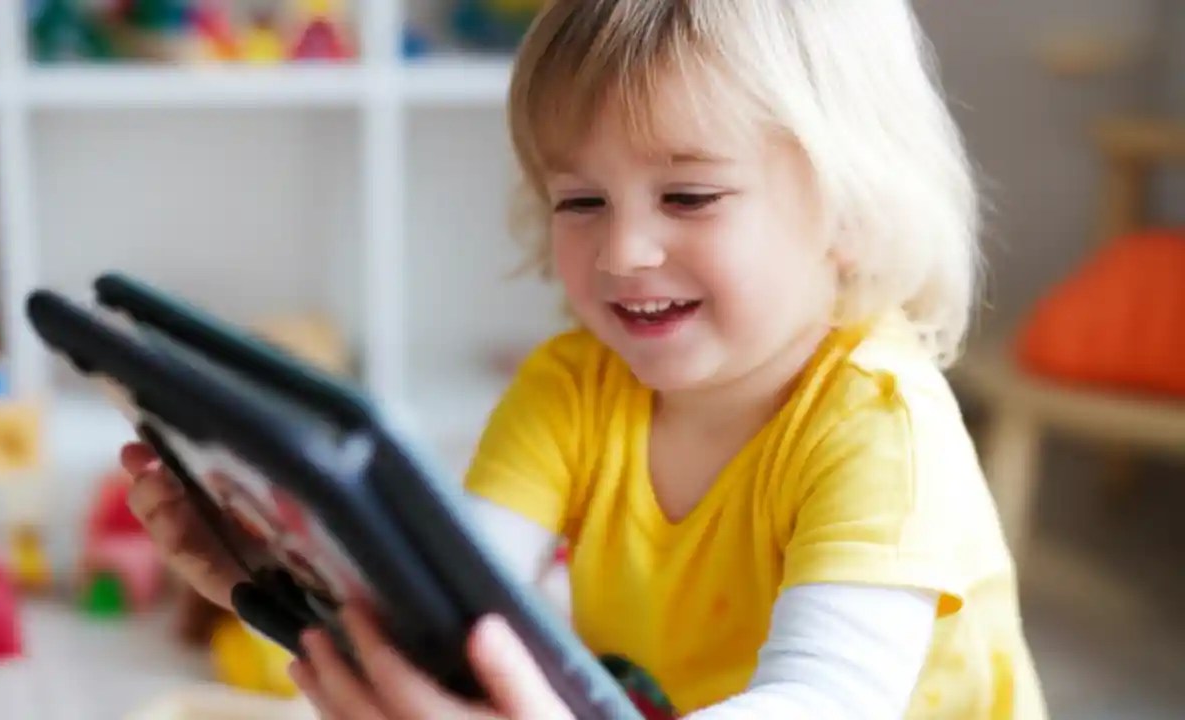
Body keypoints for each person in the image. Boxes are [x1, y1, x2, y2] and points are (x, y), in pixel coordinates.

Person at [121, 0, 1049, 717]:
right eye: (580, 202)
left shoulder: (881, 428)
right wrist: (260, 580)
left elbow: (825, 701)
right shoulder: (572, 387)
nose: (621, 253)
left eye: (687, 196)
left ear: (851, 211)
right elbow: (449, 611)